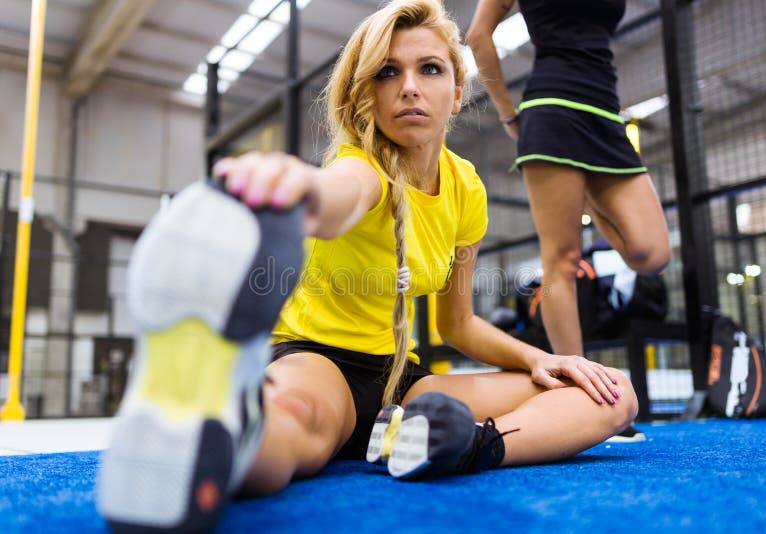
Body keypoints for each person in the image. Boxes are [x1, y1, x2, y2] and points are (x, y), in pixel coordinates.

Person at [96, 1, 637, 531]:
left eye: (430, 69)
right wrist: (297, 192)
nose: (410, 87)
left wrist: (543, 359)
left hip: (403, 391)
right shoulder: (362, 168)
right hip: (317, 363)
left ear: (456, 93)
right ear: (366, 96)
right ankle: (218, 434)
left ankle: (465, 447)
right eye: (387, 72)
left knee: (611, 394)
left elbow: (457, 323)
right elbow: (338, 197)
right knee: (296, 421)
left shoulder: (466, 188)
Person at [466, 0, 671, 442]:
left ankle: (585, 196)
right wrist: (508, 114)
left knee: (651, 252)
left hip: (606, 113)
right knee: (561, 260)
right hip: (551, 108)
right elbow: (478, 35)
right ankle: (585, 396)